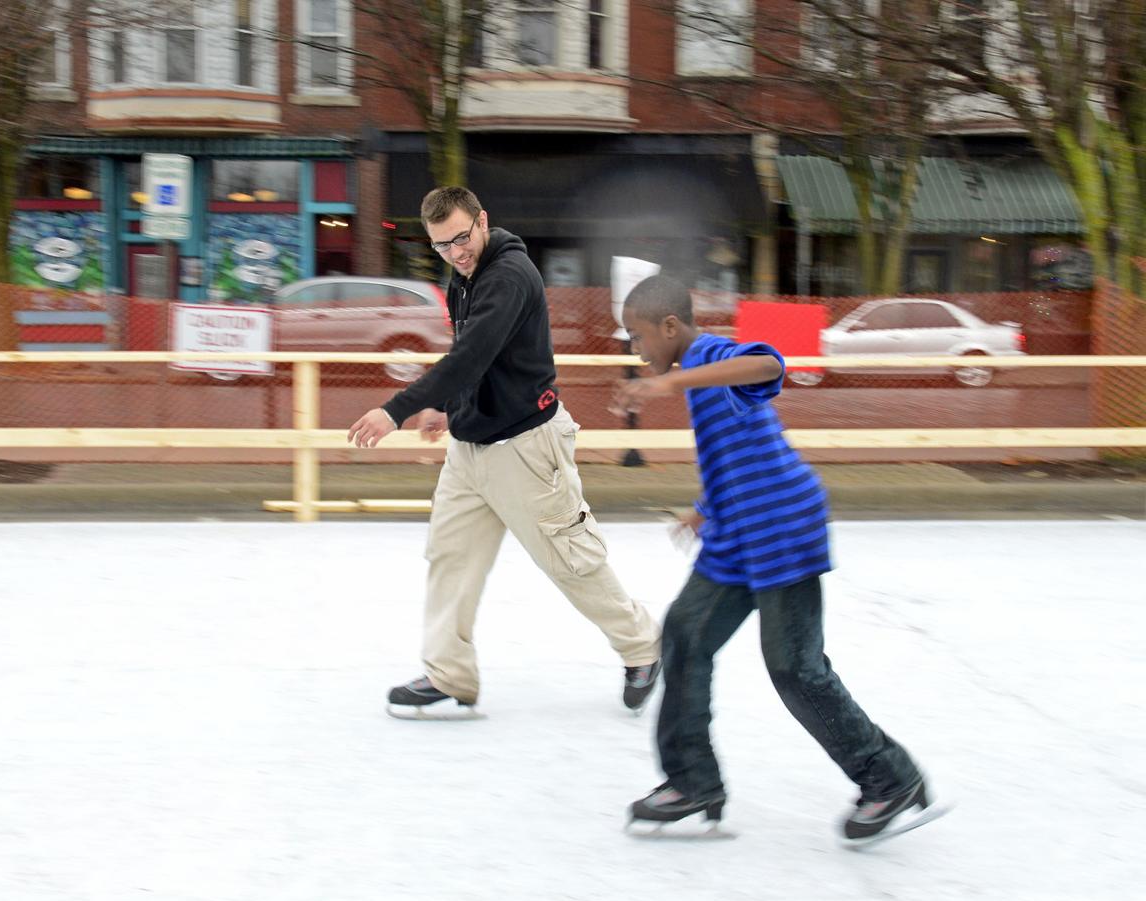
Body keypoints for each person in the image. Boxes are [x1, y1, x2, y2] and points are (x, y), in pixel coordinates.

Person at [611, 274, 931, 843]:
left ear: (670, 327)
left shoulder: (708, 355)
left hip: (782, 527)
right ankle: (692, 780)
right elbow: (736, 448)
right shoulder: (697, 374)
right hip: (735, 534)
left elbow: (768, 366)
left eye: (639, 338)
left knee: (794, 668)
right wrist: (704, 509)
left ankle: (889, 778)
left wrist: (670, 383)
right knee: (685, 635)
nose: (638, 351)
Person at [348, 187, 660, 715]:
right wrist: (445, 406)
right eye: (443, 246)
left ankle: (642, 645)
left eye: (462, 238)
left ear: (483, 221)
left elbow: (470, 358)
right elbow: (471, 357)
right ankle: (450, 674)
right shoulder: (462, 274)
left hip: (526, 447)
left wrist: (395, 410)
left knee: (569, 560)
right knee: (450, 558)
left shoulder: (510, 276)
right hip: (470, 449)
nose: (456, 252)